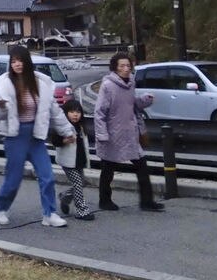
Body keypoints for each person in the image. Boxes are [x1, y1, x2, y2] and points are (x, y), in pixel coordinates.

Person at [0, 45, 75, 228]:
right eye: (13, 61)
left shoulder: (41, 83)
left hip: (36, 135)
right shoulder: (4, 83)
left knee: (48, 176)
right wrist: (2, 107)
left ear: (27, 61)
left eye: (20, 60)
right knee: (13, 179)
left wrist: (67, 131)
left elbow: (54, 111)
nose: (17, 64)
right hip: (15, 136)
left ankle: (49, 213)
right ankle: (1, 208)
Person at [94, 52, 164, 212]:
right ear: (115, 68)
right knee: (108, 169)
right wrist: (102, 134)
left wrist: (145, 100)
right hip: (113, 134)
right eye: (122, 66)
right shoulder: (108, 86)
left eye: (128, 65)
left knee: (142, 167)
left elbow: (132, 105)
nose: (126, 69)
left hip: (130, 133)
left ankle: (147, 201)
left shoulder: (131, 83)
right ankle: (104, 200)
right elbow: (100, 112)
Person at [52, 99, 95, 221]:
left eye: (78, 112)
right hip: (68, 162)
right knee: (78, 183)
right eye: (71, 112)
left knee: (82, 183)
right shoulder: (63, 127)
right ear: (65, 113)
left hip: (79, 161)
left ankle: (65, 197)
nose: (75, 114)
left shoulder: (81, 127)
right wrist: (65, 141)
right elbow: (55, 141)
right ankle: (82, 211)